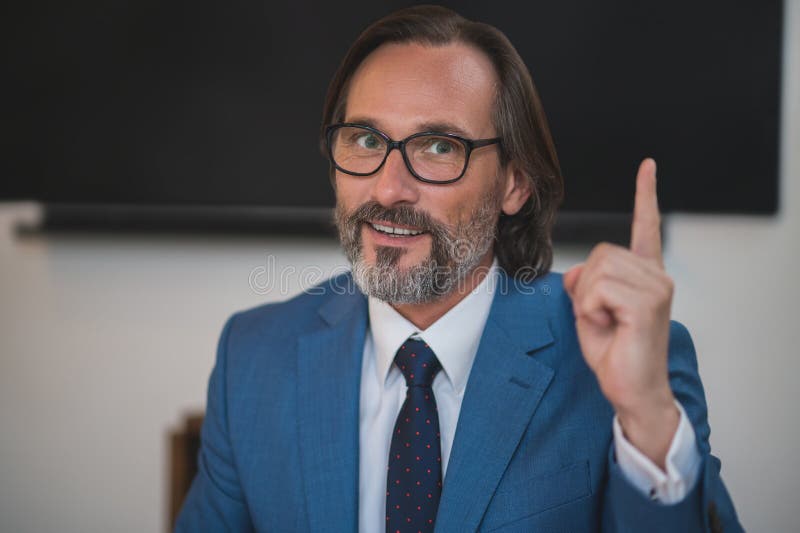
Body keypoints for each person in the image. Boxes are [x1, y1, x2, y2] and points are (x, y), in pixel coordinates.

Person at [175, 5, 741, 532]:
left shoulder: (621, 357)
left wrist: (647, 420)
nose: (388, 189)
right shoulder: (254, 357)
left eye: (439, 147)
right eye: (366, 139)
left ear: (515, 183)